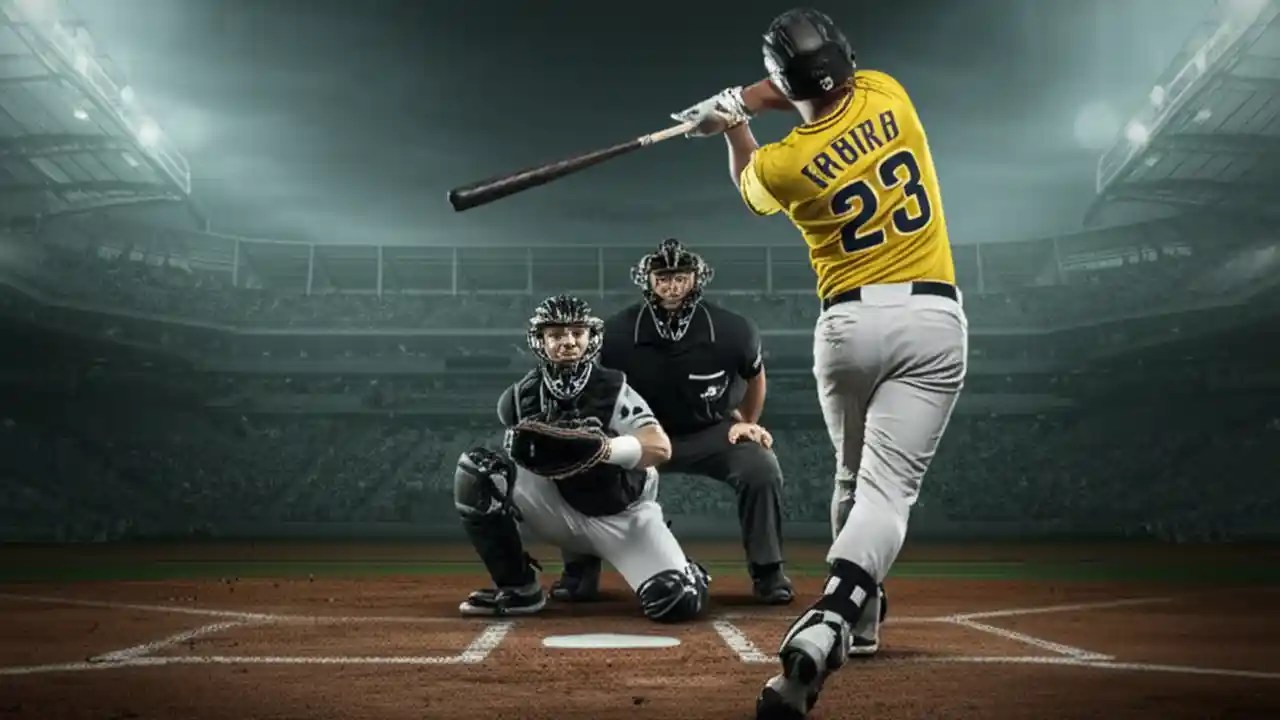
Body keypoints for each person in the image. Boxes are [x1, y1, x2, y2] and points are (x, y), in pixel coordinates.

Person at [671, 7, 968, 717]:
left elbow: (749, 188)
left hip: (847, 328)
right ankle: (837, 613)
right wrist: (743, 98)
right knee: (888, 491)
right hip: (930, 319)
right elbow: (810, 85)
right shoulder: (887, 93)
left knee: (852, 474)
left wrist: (732, 120)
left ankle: (859, 623)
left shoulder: (784, 165)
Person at [547, 238, 794, 606]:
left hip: (708, 432)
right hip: (639, 436)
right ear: (647, 280)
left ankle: (768, 571)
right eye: (663, 278)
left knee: (759, 465)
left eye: (681, 277)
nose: (672, 286)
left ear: (697, 279)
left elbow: (755, 376)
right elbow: (595, 389)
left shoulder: (733, 330)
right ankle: (580, 569)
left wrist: (747, 421)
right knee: (581, 459)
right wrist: (597, 437)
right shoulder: (614, 334)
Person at [453, 294, 710, 623]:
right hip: (557, 506)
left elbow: (659, 448)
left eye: (576, 332)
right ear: (540, 341)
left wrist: (604, 449)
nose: (568, 342)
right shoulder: (518, 399)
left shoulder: (613, 389)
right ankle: (519, 587)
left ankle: (674, 569)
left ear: (591, 337)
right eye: (557, 334)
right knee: (479, 471)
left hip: (623, 514)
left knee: (676, 601)